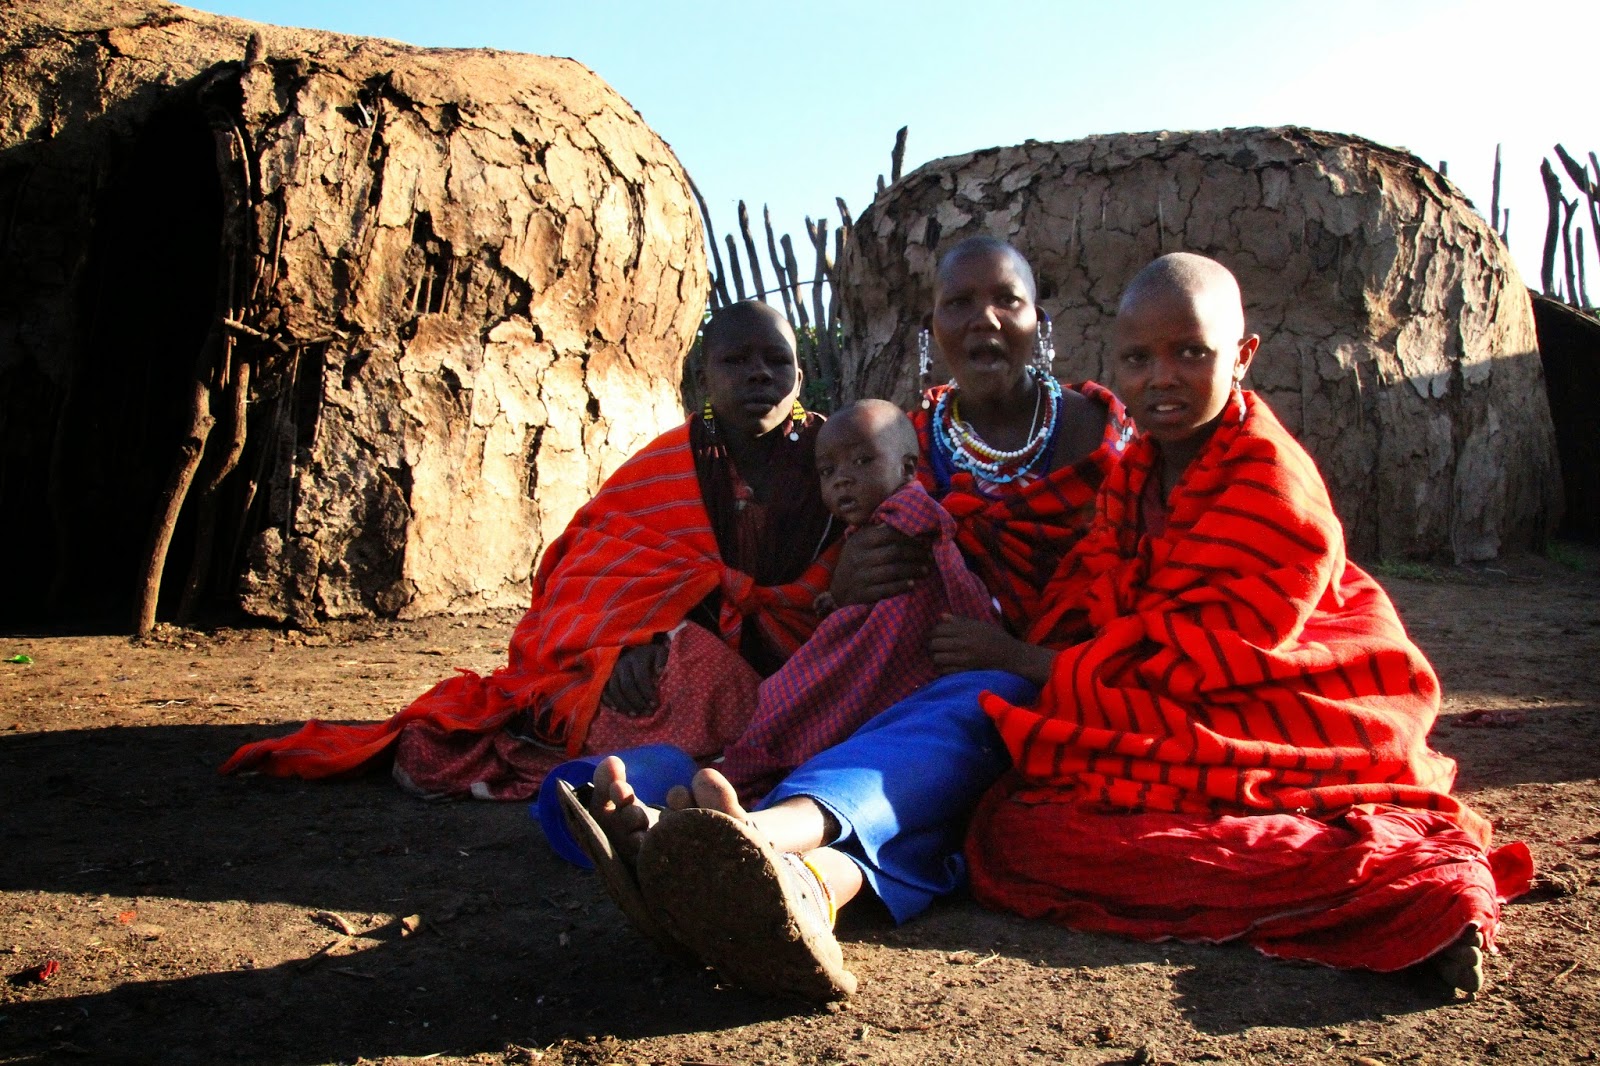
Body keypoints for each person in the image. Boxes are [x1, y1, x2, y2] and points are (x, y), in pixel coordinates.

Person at [573, 237, 1132, 1001]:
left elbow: (1147, 590)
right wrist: (851, 579)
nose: (985, 321)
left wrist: (1021, 656)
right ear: (930, 329)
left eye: (1007, 300)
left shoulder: (1113, 442)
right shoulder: (899, 443)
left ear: (1043, 320)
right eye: (958, 304)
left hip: (1053, 689)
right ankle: (797, 882)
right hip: (907, 691)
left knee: (976, 717)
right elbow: (834, 583)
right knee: (933, 769)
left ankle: (738, 839)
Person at [963, 252, 1534, 995]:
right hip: (1182, 709)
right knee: (1024, 831)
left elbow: (1225, 651)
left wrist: (1032, 664)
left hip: (1297, 706)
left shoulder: (1268, 476)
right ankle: (1333, 880)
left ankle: (1411, 891)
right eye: (1138, 358)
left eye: (1190, 352)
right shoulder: (1134, 472)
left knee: (1020, 831)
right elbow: (1100, 593)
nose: (1161, 377)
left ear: (1244, 355)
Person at [220, 300, 843, 799]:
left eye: (777, 360)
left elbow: (867, 563)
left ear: (799, 371)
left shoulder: (838, 456)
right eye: (738, 360)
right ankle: (668, 770)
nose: (760, 374)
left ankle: (685, 771)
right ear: (703, 376)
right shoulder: (664, 469)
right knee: (668, 682)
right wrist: (634, 640)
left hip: (809, 663)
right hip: (683, 665)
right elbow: (597, 571)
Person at [717, 399, 995, 802]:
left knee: (807, 694)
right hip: (877, 645)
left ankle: (750, 774)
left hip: (902, 650)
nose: (842, 481)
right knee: (796, 693)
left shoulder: (910, 509)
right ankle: (747, 778)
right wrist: (837, 600)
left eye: (863, 462)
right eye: (828, 471)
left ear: (906, 469)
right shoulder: (865, 530)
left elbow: (938, 553)